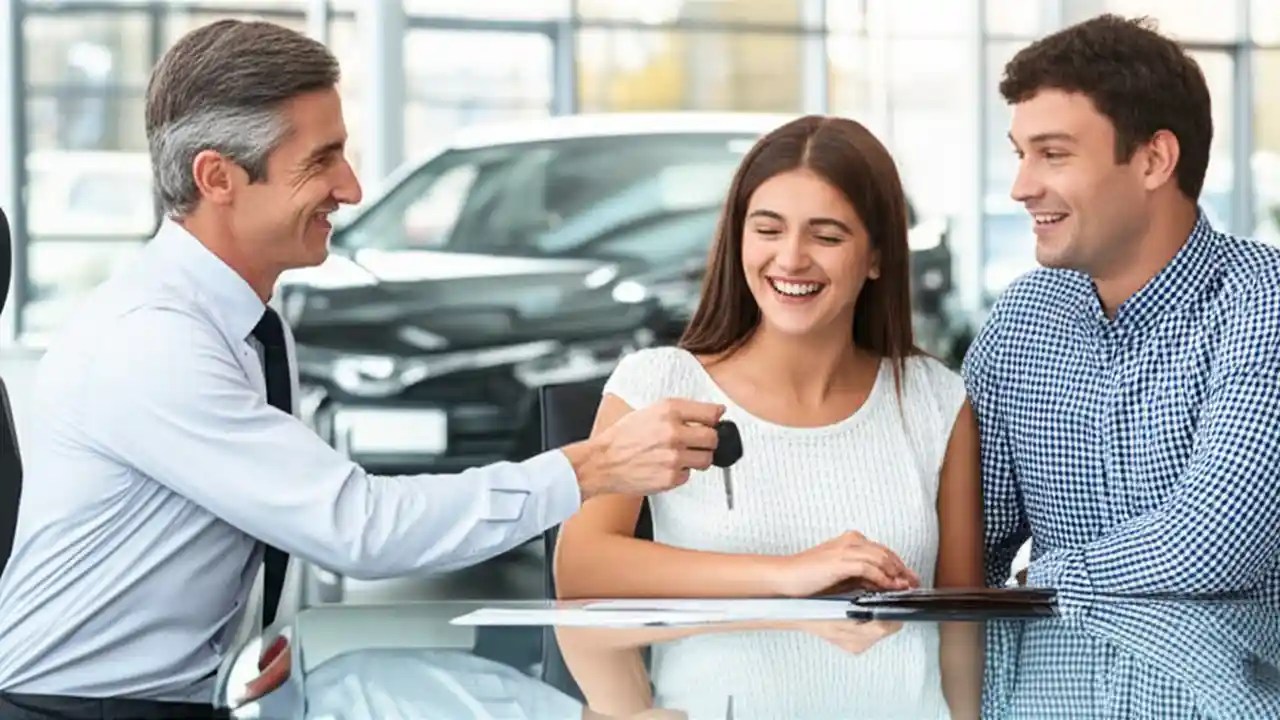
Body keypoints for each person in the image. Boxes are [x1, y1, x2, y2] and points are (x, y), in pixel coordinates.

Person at [0, 19, 725, 710]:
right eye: (321, 161)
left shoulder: (245, 319)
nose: (350, 189)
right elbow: (359, 529)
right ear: (218, 177)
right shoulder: (153, 341)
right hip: (73, 709)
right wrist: (596, 466)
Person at [551, 114, 984, 718]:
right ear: (739, 239)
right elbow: (581, 567)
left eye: (827, 236)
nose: (791, 258)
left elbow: (964, 630)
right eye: (768, 229)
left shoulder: (938, 401)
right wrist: (788, 575)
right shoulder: (657, 382)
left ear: (878, 256)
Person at [965, 14, 1280, 596]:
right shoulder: (1022, 320)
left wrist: (1040, 581)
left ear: (1154, 160)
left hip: (1226, 685)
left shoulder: (1262, 303)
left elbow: (1213, 546)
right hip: (1048, 685)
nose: (1022, 187)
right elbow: (966, 546)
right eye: (1020, 155)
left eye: (1052, 154)